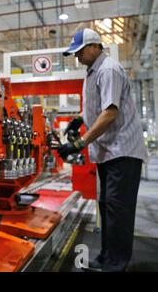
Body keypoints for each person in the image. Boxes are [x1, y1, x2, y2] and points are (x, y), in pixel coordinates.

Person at [60, 28, 148, 272]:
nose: (77, 57)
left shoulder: (108, 69)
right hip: (108, 152)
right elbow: (97, 107)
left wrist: (79, 143)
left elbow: (110, 113)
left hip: (123, 151)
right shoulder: (92, 72)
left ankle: (116, 263)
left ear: (94, 46)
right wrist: (79, 119)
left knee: (118, 209)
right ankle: (106, 257)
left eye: (79, 52)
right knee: (107, 205)